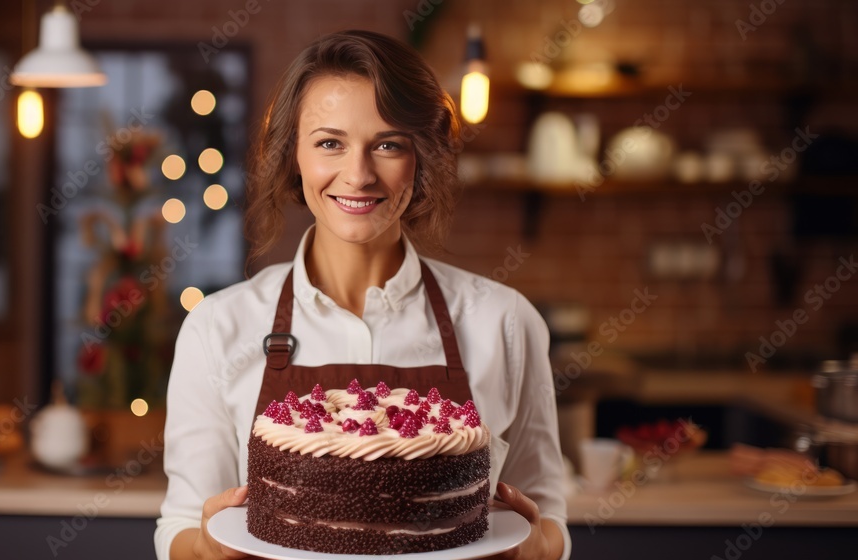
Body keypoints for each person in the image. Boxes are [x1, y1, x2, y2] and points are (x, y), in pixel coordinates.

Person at [155, 30, 570, 560]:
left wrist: (533, 549)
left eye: (388, 144)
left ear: (420, 158)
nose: (358, 174)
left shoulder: (505, 322)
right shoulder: (218, 328)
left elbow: (548, 518)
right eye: (330, 142)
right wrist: (208, 550)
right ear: (293, 156)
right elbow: (182, 528)